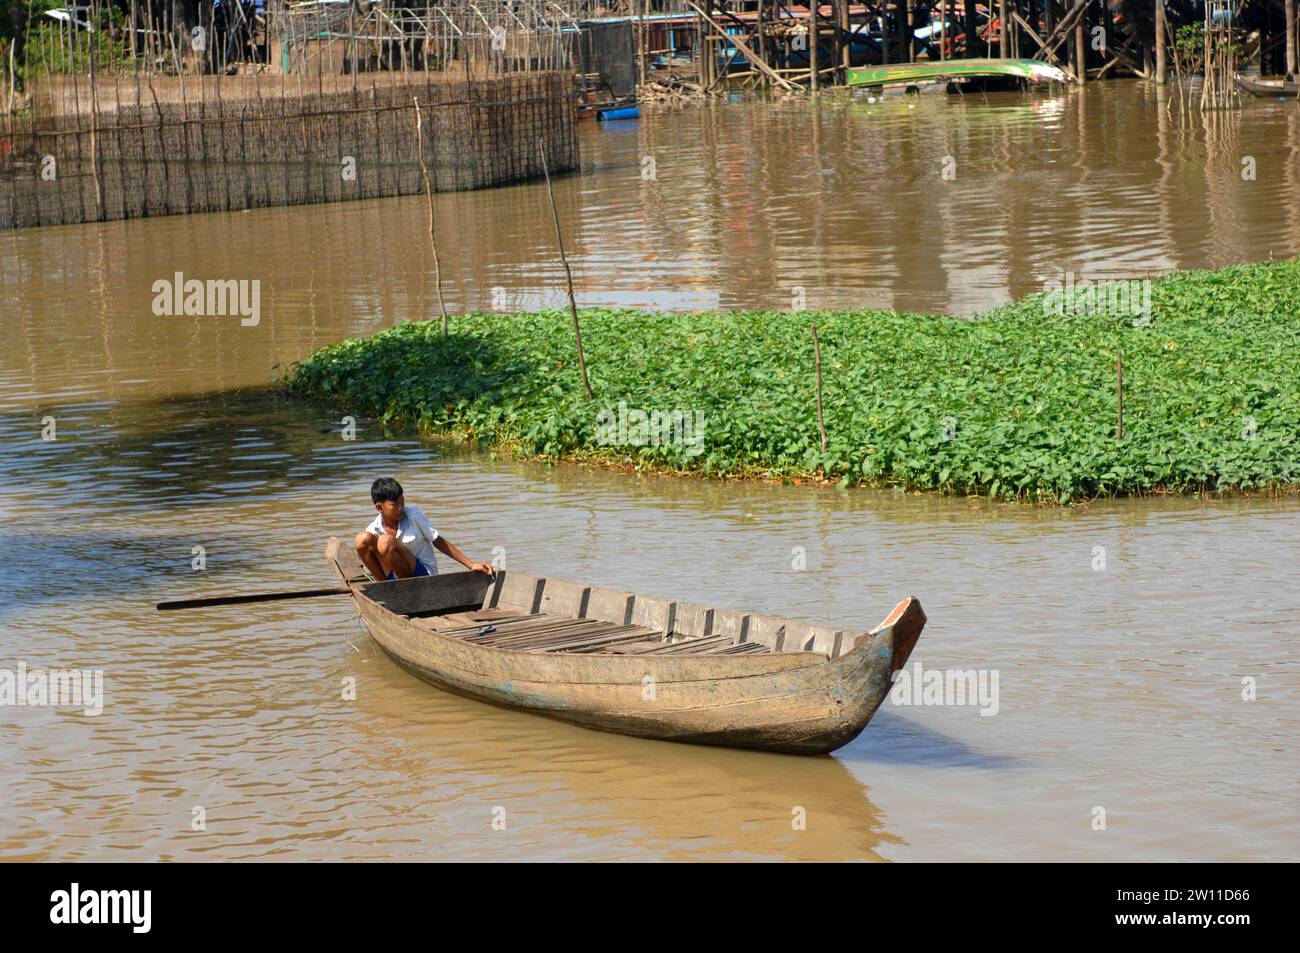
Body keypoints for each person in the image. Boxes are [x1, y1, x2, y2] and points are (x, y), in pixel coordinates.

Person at [354, 477, 495, 582]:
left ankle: (407, 588)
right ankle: (383, 586)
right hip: (392, 578)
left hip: (422, 576)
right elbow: (370, 558)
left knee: (385, 542)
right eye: (395, 505)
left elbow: (437, 541)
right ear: (380, 508)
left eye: (402, 502)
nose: (401, 508)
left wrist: (470, 565)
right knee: (362, 539)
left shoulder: (413, 515)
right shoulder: (374, 529)